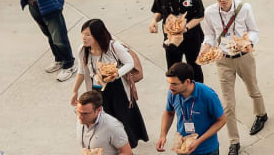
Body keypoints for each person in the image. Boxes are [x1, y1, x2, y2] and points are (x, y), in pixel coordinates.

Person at [200, 0, 266, 154]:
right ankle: (234, 141)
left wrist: (247, 42)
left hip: (244, 56)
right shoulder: (210, 12)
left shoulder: (244, 8)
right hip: (223, 59)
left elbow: (254, 31)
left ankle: (261, 114)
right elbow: (209, 35)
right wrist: (206, 48)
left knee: (253, 89)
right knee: (228, 104)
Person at [70, 19, 149, 149]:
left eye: (88, 34)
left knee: (122, 118)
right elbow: (81, 71)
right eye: (83, 34)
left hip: (117, 89)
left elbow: (129, 63)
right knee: (103, 120)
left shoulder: (113, 47)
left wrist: (116, 74)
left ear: (98, 35)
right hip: (97, 89)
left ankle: (128, 146)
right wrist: (75, 91)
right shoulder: (83, 50)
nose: (84, 37)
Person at [157, 62, 226, 154]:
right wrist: (163, 135)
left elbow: (222, 120)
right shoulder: (173, 93)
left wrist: (198, 141)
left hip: (206, 150)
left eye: (174, 84)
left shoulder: (208, 95)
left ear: (187, 82)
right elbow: (169, 113)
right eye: (169, 83)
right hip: (183, 148)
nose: (170, 87)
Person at [76, 89, 135, 155]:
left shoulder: (112, 127)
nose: (80, 117)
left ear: (99, 110)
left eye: (85, 114)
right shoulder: (82, 118)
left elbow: (127, 152)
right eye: (78, 112)